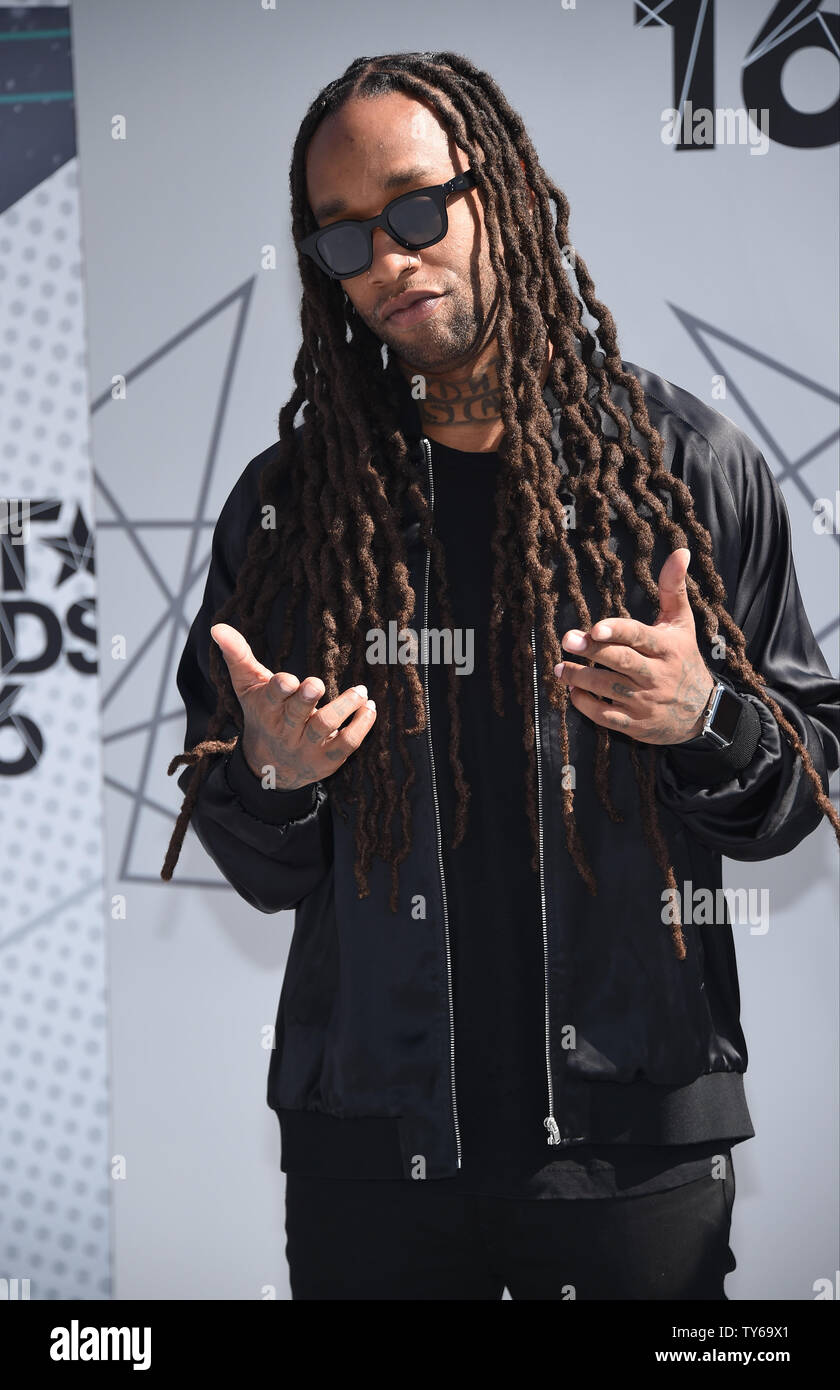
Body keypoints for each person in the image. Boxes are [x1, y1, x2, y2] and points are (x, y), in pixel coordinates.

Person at [160, 51, 840, 1300]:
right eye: (344, 241)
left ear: (505, 198)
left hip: (633, 1156)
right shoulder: (290, 512)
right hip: (372, 1158)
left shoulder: (686, 468)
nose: (389, 260)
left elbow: (807, 780)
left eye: (418, 211)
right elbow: (254, 855)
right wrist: (272, 773)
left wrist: (707, 722)